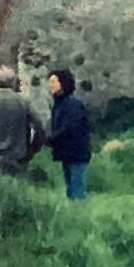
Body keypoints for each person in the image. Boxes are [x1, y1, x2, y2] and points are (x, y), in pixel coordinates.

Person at [47, 68, 93, 200]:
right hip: (67, 153)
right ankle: (76, 216)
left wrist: (49, 139)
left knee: (77, 190)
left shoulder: (72, 104)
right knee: (71, 190)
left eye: (54, 81)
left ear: (63, 83)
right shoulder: (59, 104)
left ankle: (80, 217)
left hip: (77, 153)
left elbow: (69, 128)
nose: (51, 85)